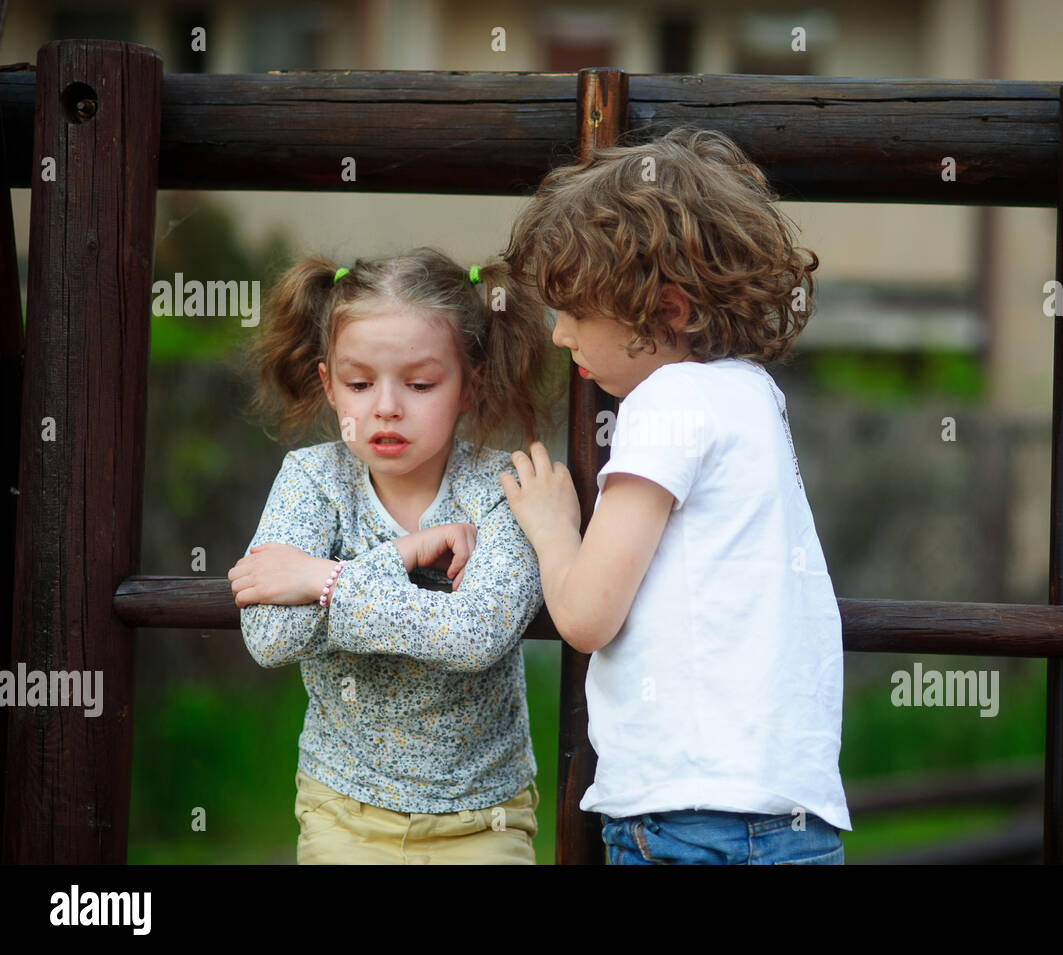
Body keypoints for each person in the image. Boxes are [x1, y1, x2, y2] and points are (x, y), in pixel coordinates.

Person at [498, 127, 851, 864]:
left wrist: (554, 527)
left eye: (576, 309)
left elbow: (588, 614)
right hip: (795, 817)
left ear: (670, 310)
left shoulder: (666, 402)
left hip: (686, 818)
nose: (559, 334)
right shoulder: (756, 397)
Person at [227, 248, 561, 863]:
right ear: (329, 385)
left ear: (470, 384)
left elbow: (475, 636)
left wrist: (321, 582)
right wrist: (399, 557)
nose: (386, 406)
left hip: (483, 815)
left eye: (420, 384)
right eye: (359, 383)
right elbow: (270, 635)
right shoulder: (313, 480)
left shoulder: (502, 491)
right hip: (341, 809)